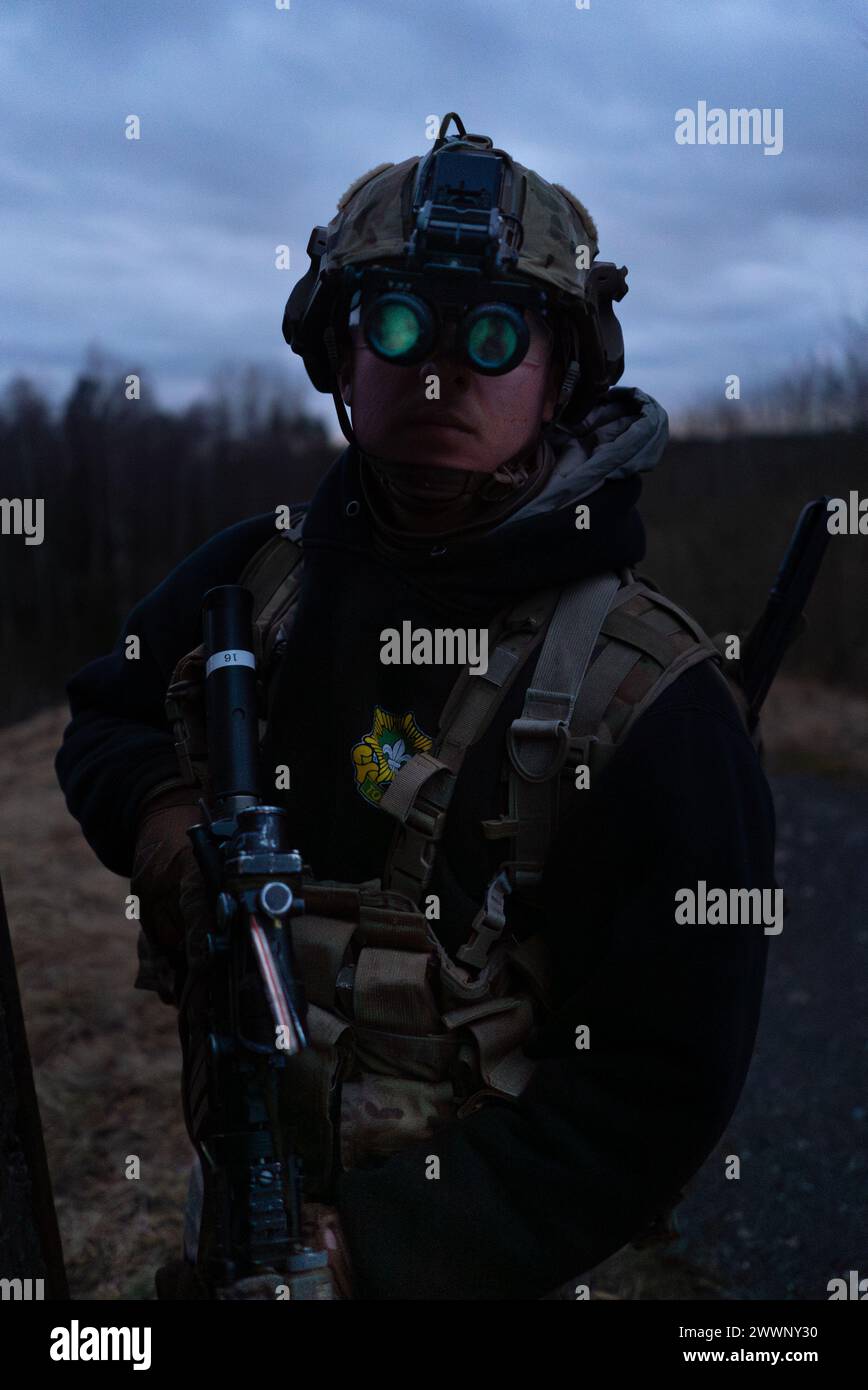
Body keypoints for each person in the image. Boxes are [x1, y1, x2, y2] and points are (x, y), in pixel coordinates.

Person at [55, 115, 775, 1300]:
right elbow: (105, 715)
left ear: (563, 374)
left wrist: (366, 1255)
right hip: (244, 1195)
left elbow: (657, 1090)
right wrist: (169, 828)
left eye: (493, 335)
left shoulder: (650, 704)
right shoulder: (257, 581)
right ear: (339, 357)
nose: (440, 374)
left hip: (498, 1265)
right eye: (398, 325)